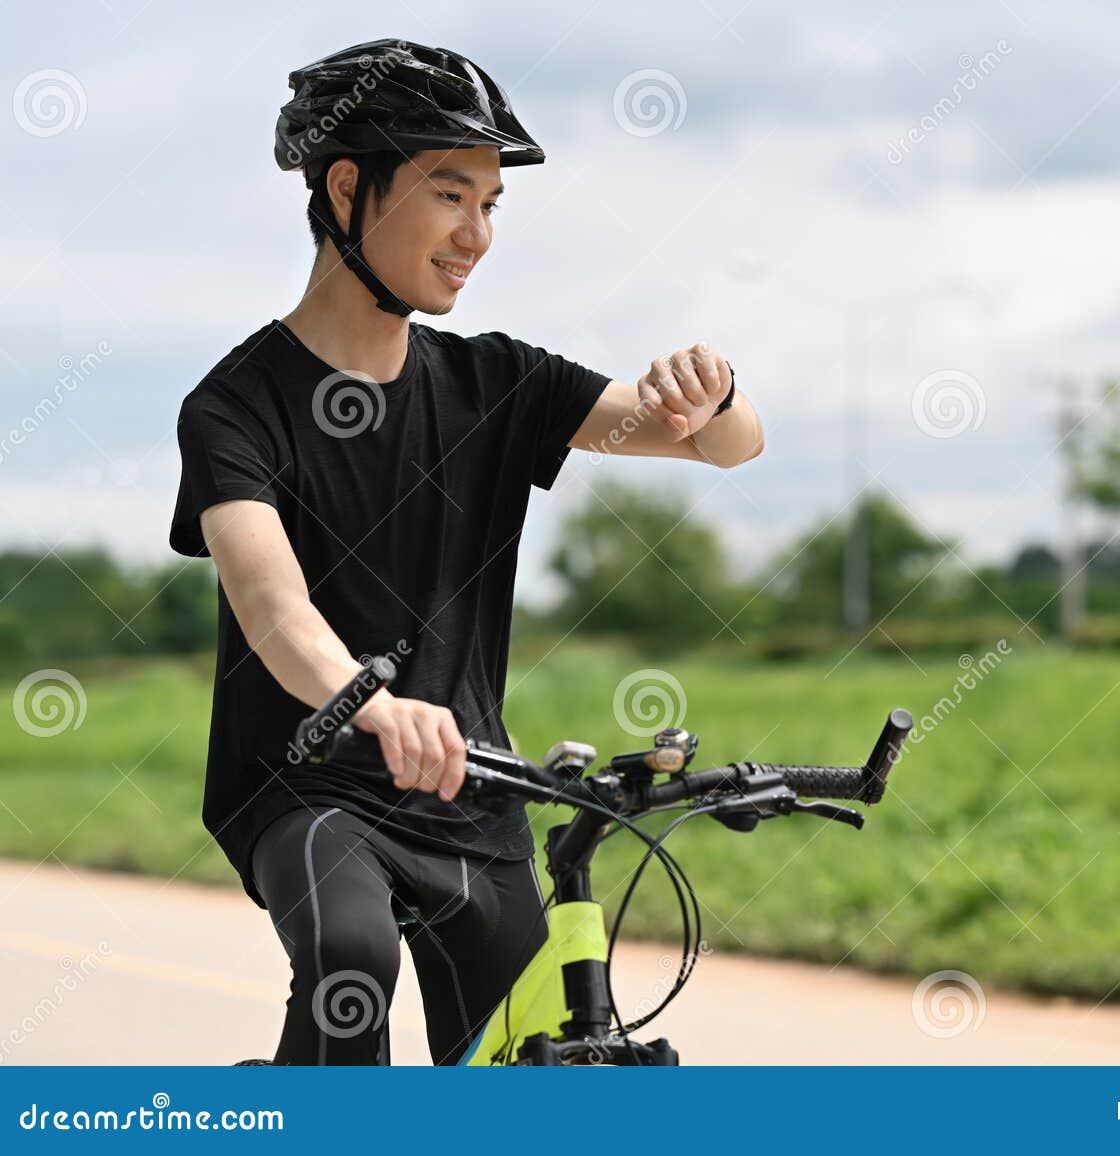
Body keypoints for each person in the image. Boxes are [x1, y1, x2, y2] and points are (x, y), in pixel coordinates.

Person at [167, 38, 763, 1065]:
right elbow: (274, 609)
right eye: (451, 195)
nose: (476, 234)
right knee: (351, 957)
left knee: (535, 1044)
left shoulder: (499, 384)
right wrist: (374, 705)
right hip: (312, 782)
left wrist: (712, 390)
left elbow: (722, 446)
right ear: (348, 188)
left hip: (472, 791)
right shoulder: (236, 406)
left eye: (490, 205)